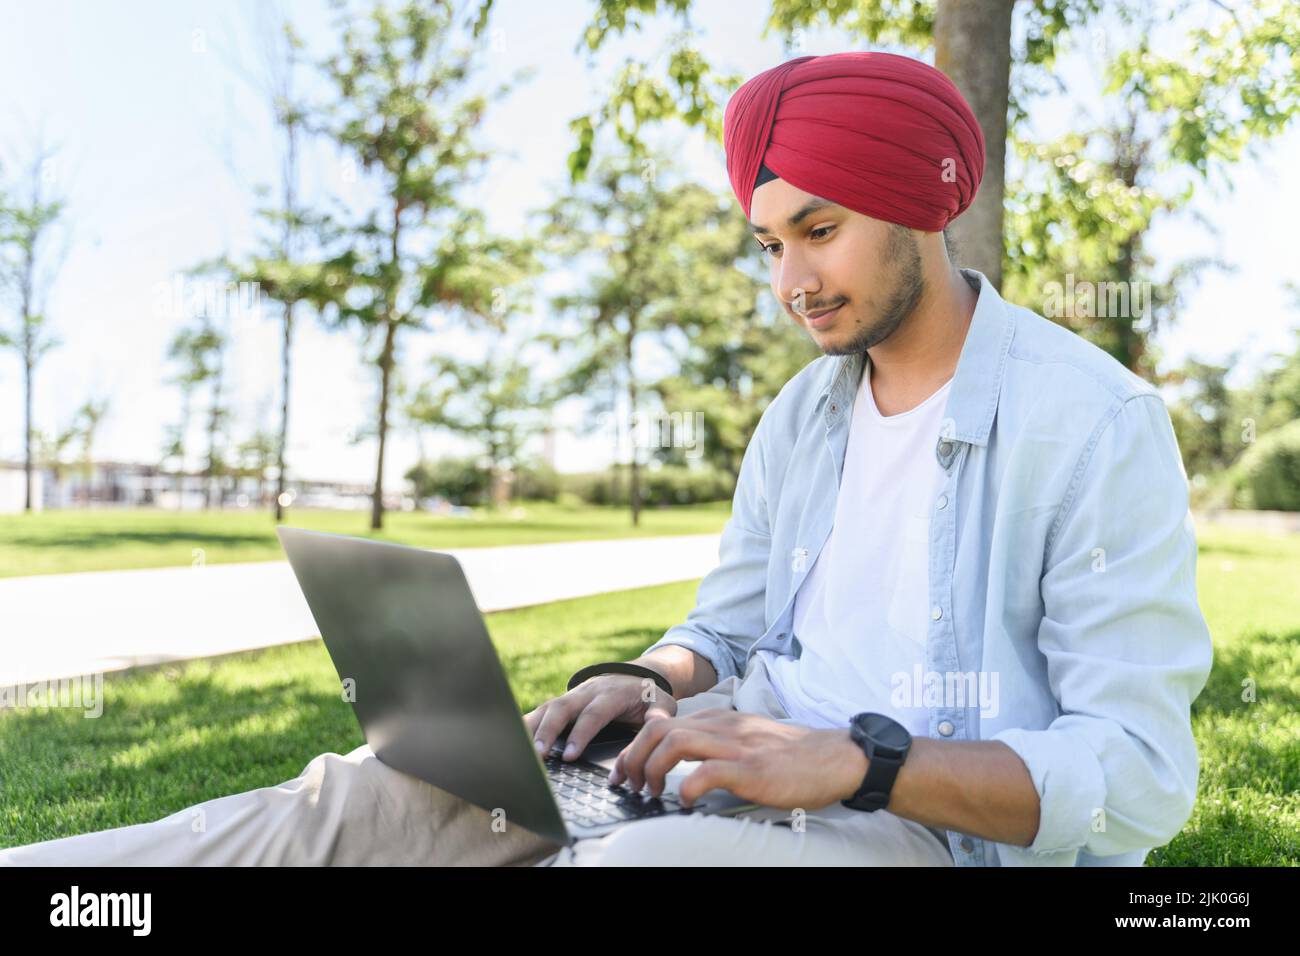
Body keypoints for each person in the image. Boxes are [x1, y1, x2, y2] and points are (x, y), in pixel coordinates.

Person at [0, 51, 1211, 868]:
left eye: (819, 232)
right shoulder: (806, 413)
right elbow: (726, 634)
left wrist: (857, 758)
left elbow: (1142, 774)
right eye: (767, 240)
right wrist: (648, 676)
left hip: (908, 828)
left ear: (921, 205)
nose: (789, 281)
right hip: (723, 753)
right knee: (351, 802)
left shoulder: (1096, 425)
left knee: (628, 860)